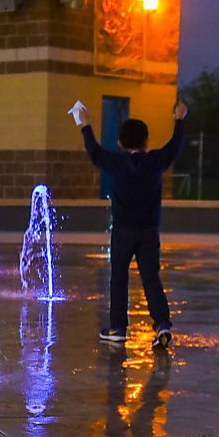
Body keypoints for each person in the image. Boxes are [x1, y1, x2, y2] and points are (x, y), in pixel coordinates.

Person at [72, 98, 188, 350]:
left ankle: (118, 329)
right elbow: (175, 147)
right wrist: (179, 119)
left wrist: (86, 125)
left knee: (118, 278)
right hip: (149, 231)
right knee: (151, 278)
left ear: (121, 143)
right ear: (146, 141)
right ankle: (162, 325)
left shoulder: (116, 161)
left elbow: (94, 152)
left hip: (123, 231)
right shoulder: (156, 161)